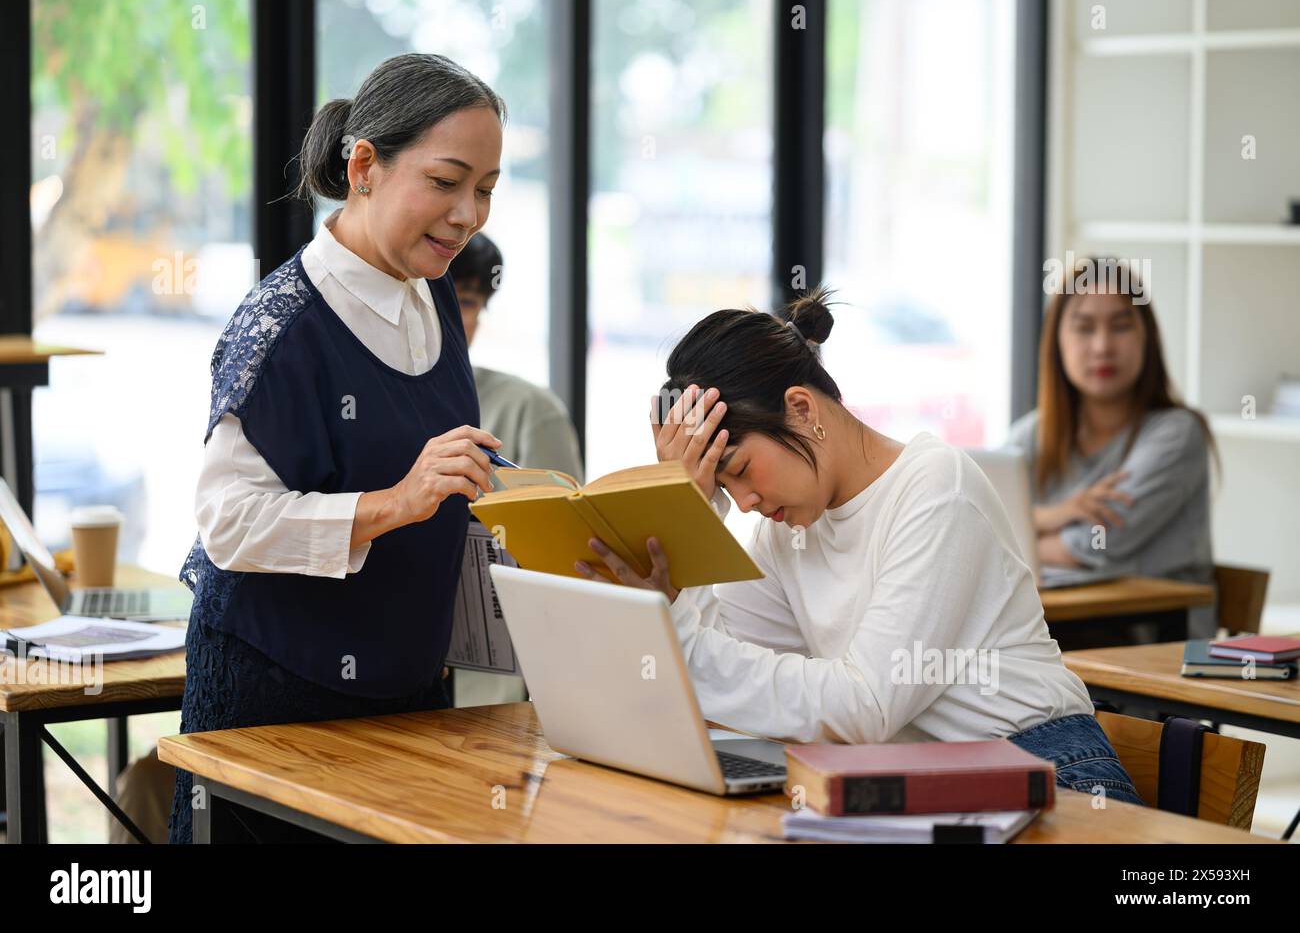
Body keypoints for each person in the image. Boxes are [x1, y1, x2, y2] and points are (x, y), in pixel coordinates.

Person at [573, 287, 1144, 805]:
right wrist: (689, 519)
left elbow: (864, 706)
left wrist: (681, 630)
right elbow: (737, 686)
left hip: (1045, 770)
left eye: (740, 470)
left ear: (802, 409)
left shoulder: (936, 487)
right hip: (910, 780)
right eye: (723, 489)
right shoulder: (785, 531)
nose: (742, 503)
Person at [167, 53, 507, 842]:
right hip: (278, 709)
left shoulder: (434, 297)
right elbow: (229, 523)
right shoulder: (282, 323)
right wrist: (396, 503)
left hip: (409, 698)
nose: (468, 215)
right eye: (446, 181)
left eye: (487, 189)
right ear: (363, 168)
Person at [1006, 256, 1217, 638]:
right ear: (1057, 342)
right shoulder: (1031, 435)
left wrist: (1023, 530)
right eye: (1084, 328)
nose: (1102, 346)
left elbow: (1094, 544)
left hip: (1152, 642)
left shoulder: (1177, 434)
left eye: (1120, 326)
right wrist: (1056, 515)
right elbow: (975, 528)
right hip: (1057, 633)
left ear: (1147, 337)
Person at [451, 233, 584, 482]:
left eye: (466, 302)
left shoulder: (531, 409)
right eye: (431, 301)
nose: (447, 316)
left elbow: (562, 507)